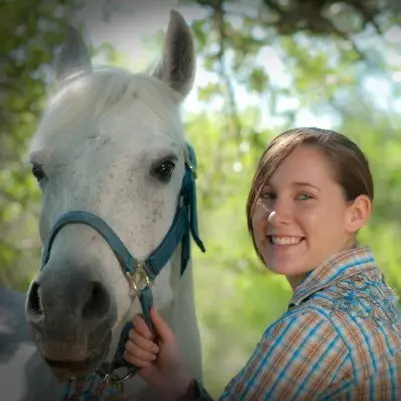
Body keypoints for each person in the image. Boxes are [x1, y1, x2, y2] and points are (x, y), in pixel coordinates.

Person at [124, 127, 401, 400]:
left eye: (304, 196)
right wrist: (180, 387)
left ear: (356, 213)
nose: (275, 216)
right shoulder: (379, 303)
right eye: (267, 195)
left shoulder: (314, 326)